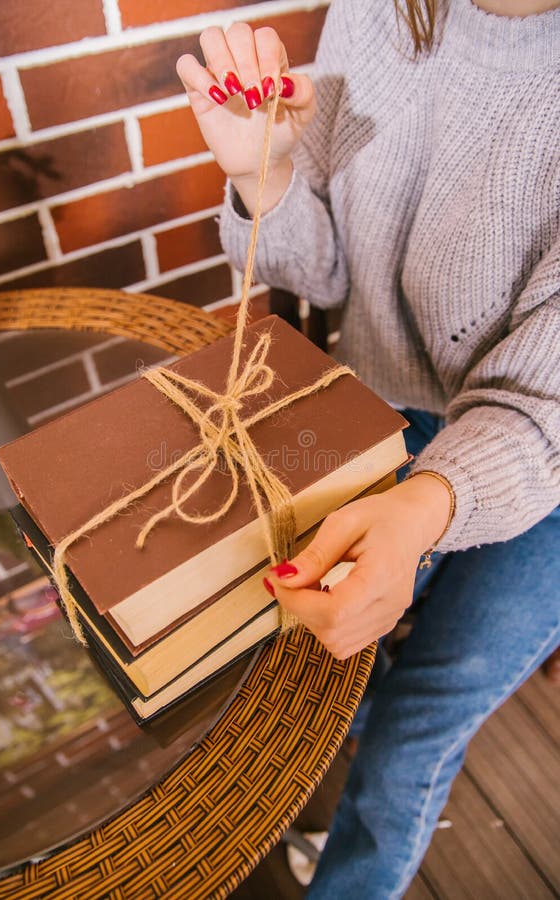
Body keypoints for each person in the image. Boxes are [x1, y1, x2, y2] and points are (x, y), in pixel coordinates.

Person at [176, 0, 560, 895]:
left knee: (421, 720)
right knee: (315, 654)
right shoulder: (379, 11)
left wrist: (422, 508)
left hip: (545, 461)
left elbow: (542, 406)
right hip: (383, 410)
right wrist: (266, 174)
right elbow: (323, 270)